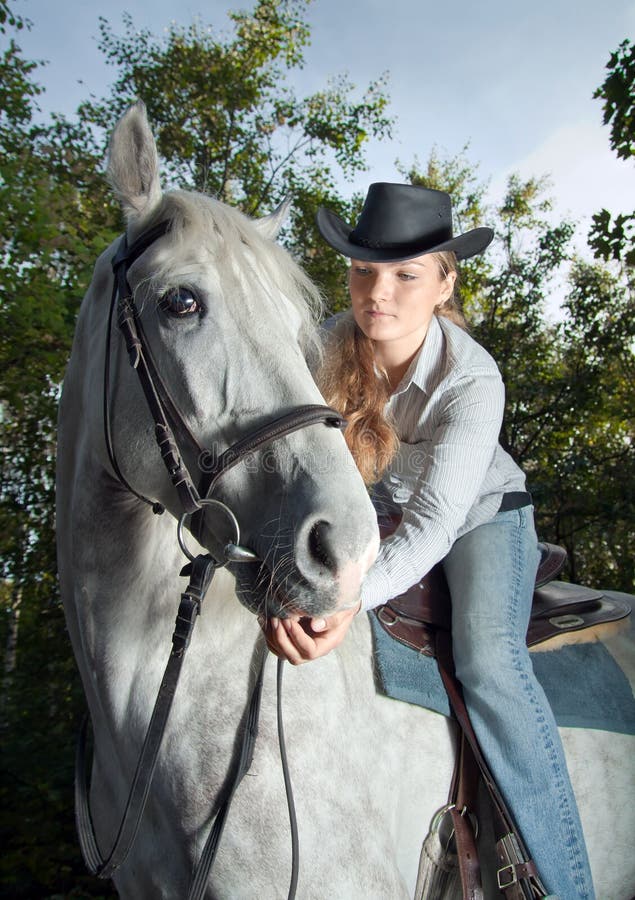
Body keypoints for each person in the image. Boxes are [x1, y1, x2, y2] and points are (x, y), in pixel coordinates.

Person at [259, 183, 595, 899]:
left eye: (406, 274)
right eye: (361, 271)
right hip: (369, 508)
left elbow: (435, 523)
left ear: (444, 283)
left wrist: (347, 599)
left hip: (477, 517)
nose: (377, 291)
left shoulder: (470, 378)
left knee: (486, 660)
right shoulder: (318, 348)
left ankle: (564, 882)